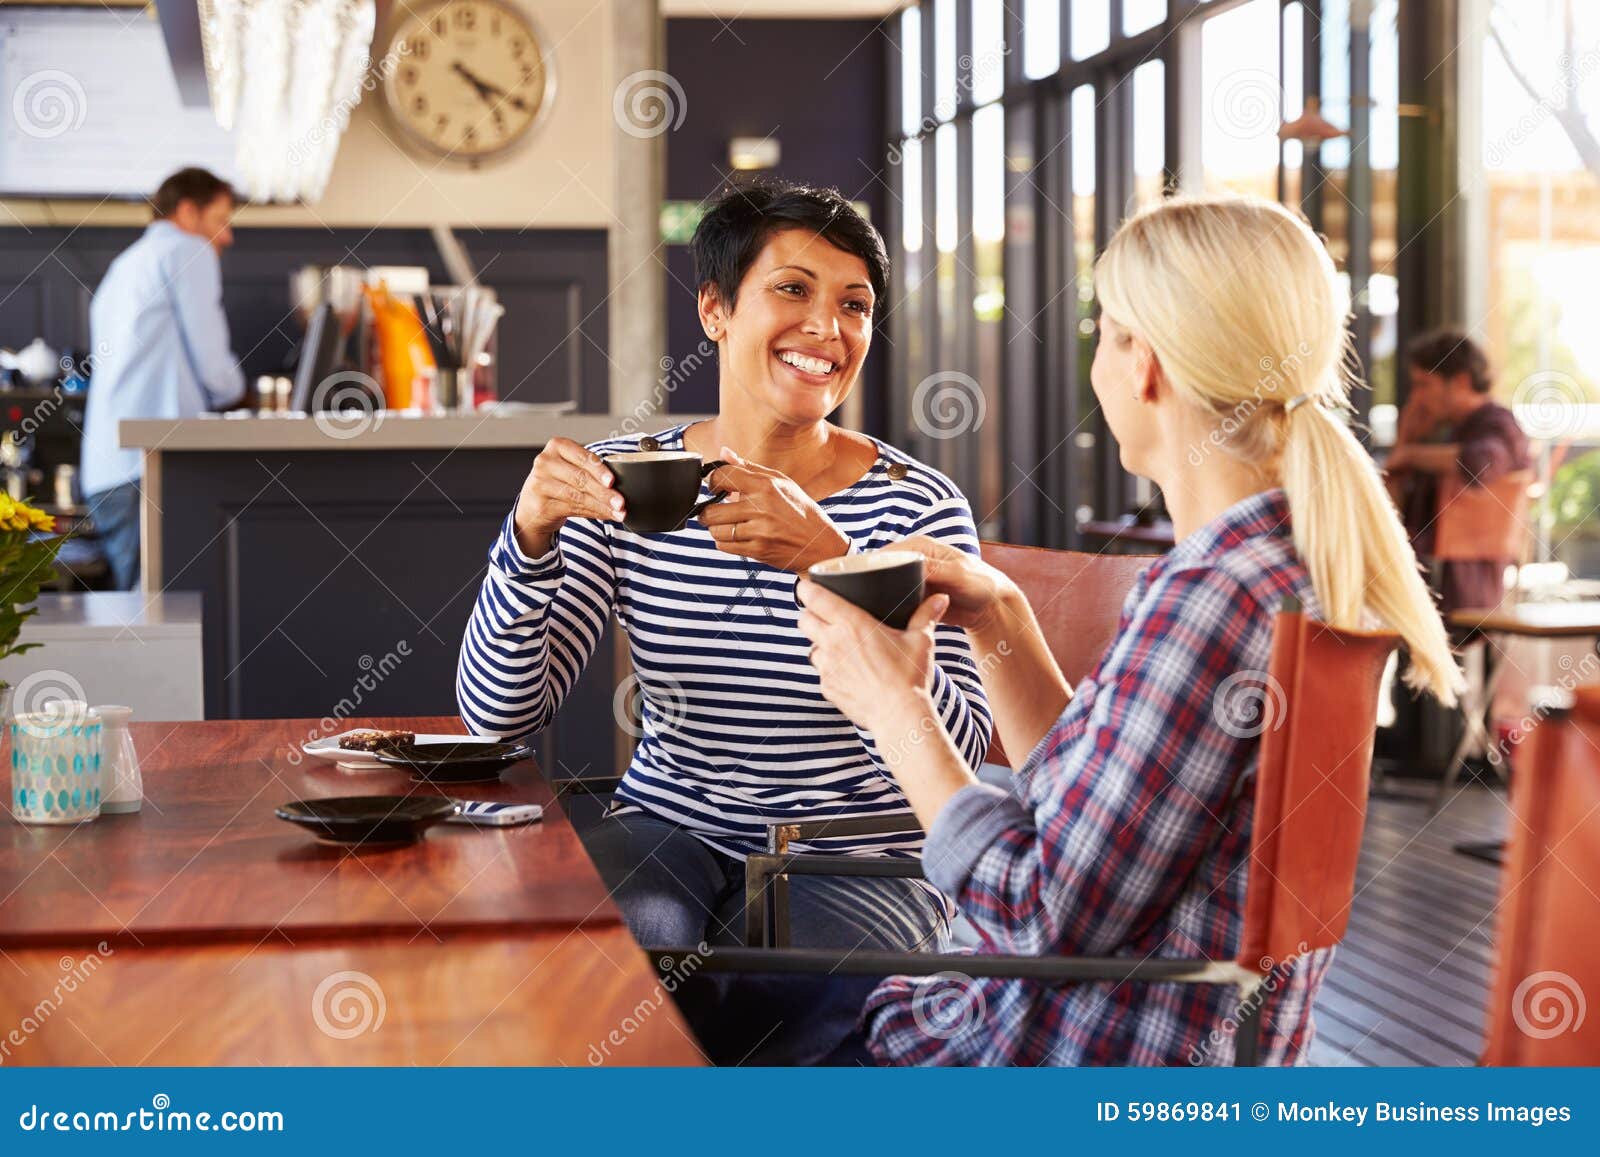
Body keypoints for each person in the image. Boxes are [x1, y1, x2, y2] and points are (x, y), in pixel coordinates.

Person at [795, 194, 1462, 1066]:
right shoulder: (1287, 567)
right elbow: (1097, 820)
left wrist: (895, 707)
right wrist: (1002, 617)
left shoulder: (1211, 598)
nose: (1098, 363)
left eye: (1105, 333)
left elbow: (1037, 912)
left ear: (1143, 365)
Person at [456, 180, 992, 1063]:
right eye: (793, 289)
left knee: (777, 993)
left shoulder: (920, 504)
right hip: (669, 825)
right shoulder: (629, 485)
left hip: (861, 853)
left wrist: (834, 560)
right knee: (604, 966)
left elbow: (966, 750)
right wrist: (528, 540)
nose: (828, 327)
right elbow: (496, 723)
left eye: (853, 304)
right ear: (714, 309)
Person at [82, 168, 244, 590]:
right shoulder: (187, 249)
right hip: (145, 468)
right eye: (221, 219)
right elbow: (214, 366)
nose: (226, 236)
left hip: (109, 470)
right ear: (188, 212)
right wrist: (240, 394)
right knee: (154, 622)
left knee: (139, 615)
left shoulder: (126, 265)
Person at [1386, 329, 1531, 612]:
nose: (1416, 398)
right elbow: (1394, 510)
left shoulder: (1498, 425)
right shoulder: (1447, 433)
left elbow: (1481, 465)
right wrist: (1406, 440)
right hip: (1426, 580)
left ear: (1461, 382)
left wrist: (1410, 454)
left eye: (1423, 385)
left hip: (1458, 588)